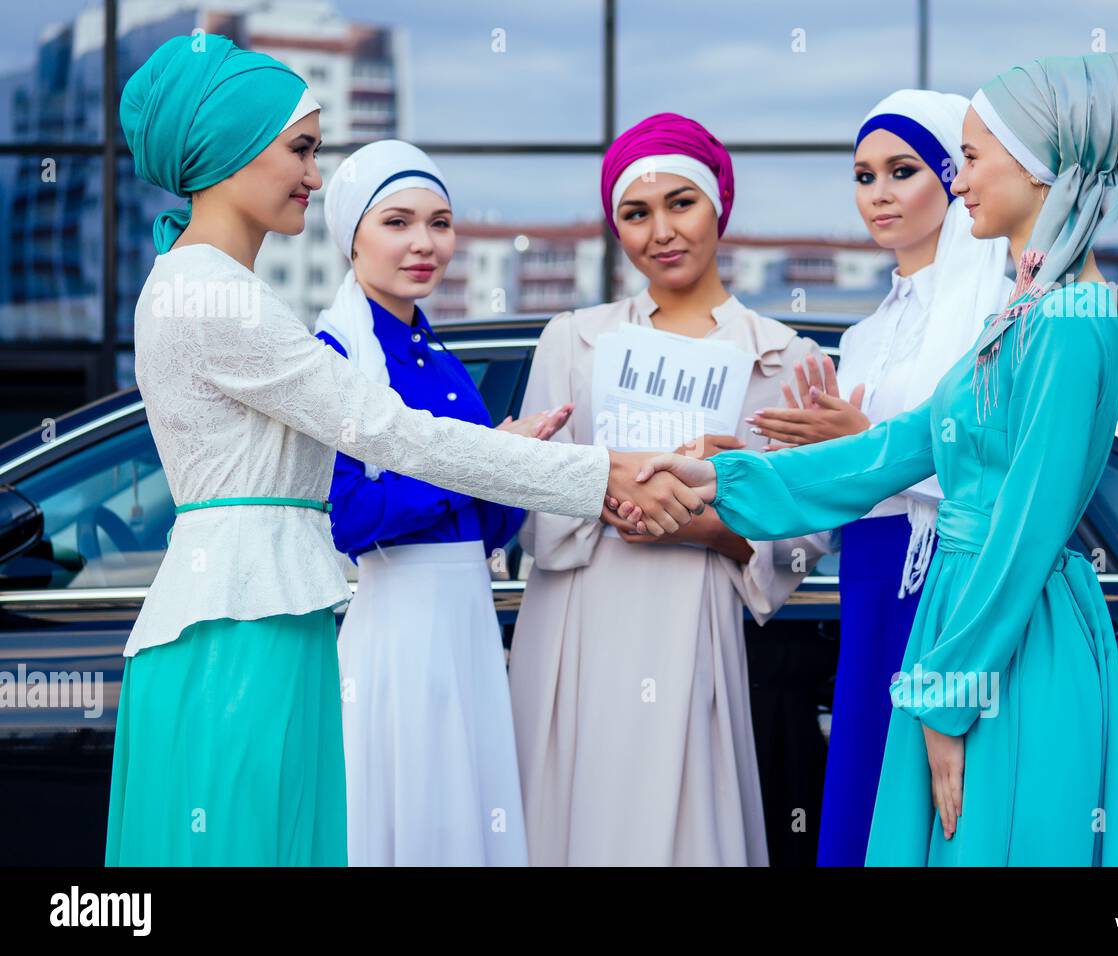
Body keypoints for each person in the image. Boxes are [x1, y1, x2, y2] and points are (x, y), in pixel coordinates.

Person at [105, 34, 702, 866]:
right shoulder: (214, 298)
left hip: (264, 615)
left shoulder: (210, 286)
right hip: (242, 624)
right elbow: (389, 433)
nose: (315, 177)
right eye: (302, 150)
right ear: (230, 147)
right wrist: (601, 473)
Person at [626, 53, 1118, 866]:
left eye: (976, 158)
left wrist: (949, 700)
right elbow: (893, 451)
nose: (962, 181)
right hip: (964, 627)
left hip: (1005, 636)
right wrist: (725, 477)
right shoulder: (1024, 312)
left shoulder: (1068, 319)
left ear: (1042, 167)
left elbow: (1024, 531)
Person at [507, 112, 829, 865]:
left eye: (680, 203)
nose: (661, 232)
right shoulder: (572, 340)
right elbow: (534, 516)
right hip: (577, 627)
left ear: (719, 202)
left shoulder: (782, 359)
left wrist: (709, 521)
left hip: (694, 629)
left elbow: (804, 542)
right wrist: (608, 491)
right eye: (636, 213)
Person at [748, 90, 1012, 866]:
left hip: (950, 587)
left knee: (946, 813)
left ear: (951, 177)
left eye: (903, 171)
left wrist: (858, 443)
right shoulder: (862, 338)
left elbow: (1003, 476)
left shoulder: (993, 312)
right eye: (864, 176)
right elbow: (841, 495)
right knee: (868, 800)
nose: (880, 194)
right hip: (869, 577)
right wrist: (774, 458)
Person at [314, 140, 567, 866]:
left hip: (468, 619)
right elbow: (349, 517)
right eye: (398, 222)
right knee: (409, 819)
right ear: (351, 235)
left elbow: (486, 524)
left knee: (466, 819)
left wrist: (521, 464)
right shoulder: (336, 355)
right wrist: (482, 460)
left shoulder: (442, 359)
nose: (425, 243)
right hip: (399, 627)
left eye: (440, 222)